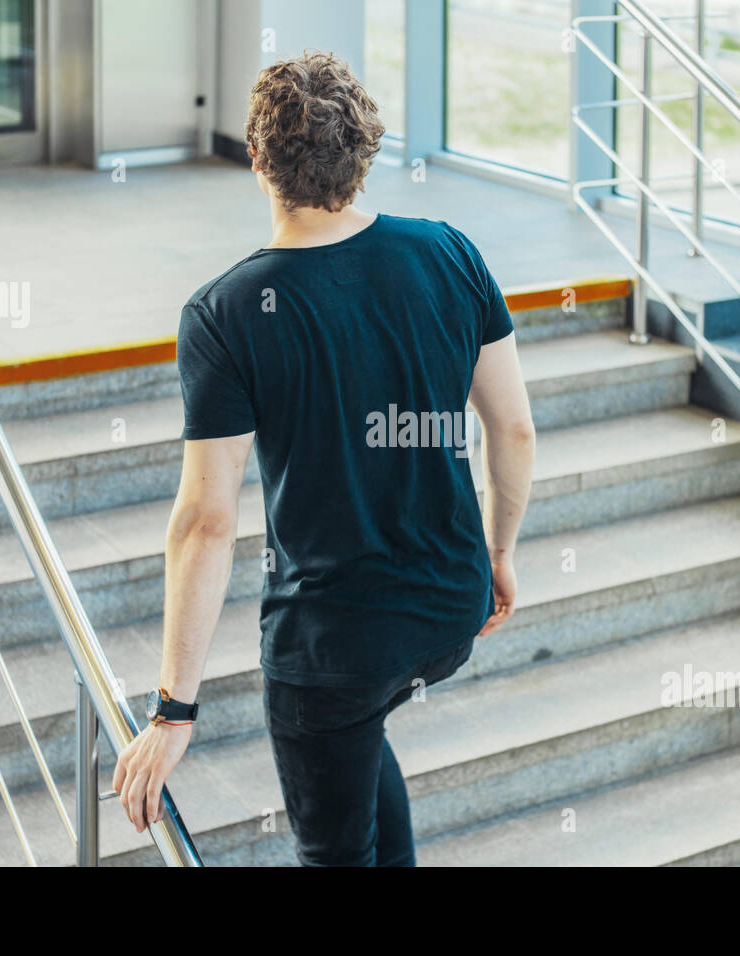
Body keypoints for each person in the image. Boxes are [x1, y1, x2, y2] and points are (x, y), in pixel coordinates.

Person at [113, 50, 536, 866]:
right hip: (451, 607)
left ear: (258, 161)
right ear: (364, 154)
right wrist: (500, 553)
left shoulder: (227, 312)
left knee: (333, 839)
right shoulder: (450, 253)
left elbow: (205, 521)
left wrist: (173, 712)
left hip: (332, 651)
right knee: (361, 733)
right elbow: (512, 430)